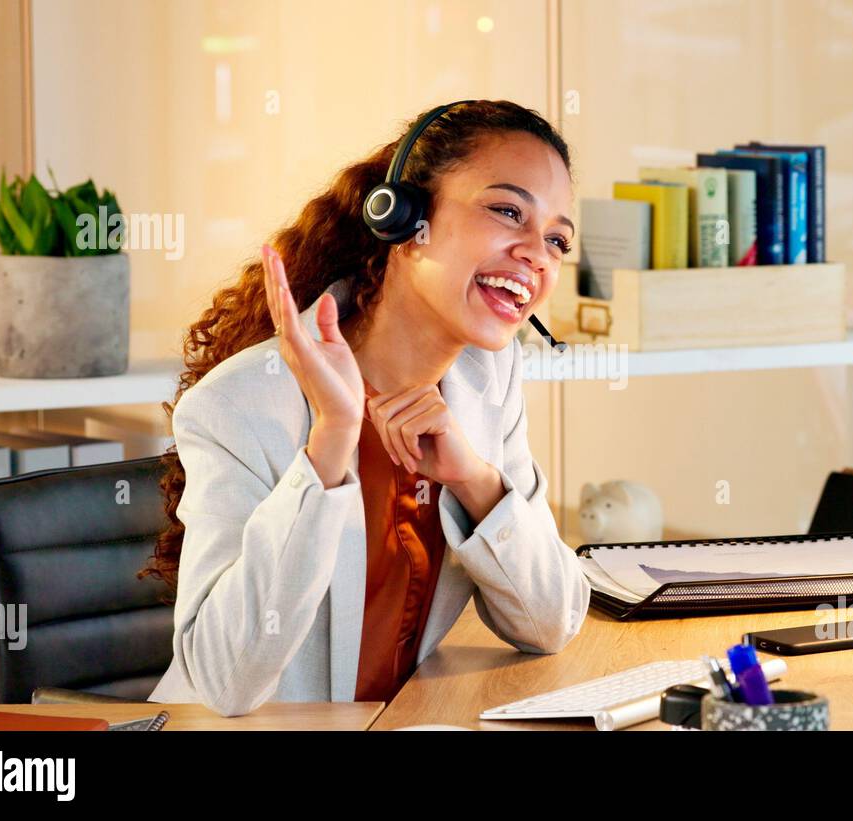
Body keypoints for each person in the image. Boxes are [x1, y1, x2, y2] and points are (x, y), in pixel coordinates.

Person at [142, 100, 591, 717]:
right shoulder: (241, 403)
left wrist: (475, 480)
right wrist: (329, 443)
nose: (536, 254)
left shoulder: (488, 379)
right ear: (402, 218)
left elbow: (552, 622)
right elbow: (225, 683)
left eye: (557, 239)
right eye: (508, 211)